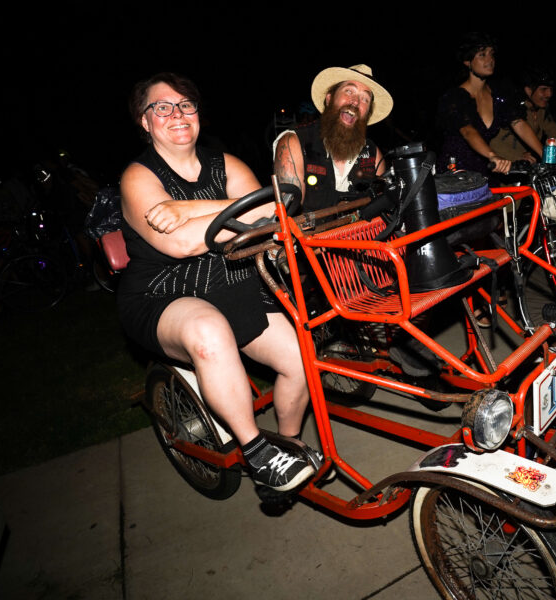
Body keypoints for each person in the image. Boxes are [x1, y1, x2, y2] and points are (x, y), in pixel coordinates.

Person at [117, 72, 314, 492]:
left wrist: (188, 207)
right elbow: (185, 244)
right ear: (144, 121)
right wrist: (253, 208)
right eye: (162, 107)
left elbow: (276, 216)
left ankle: (289, 443)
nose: (177, 113)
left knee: (301, 358)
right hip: (164, 292)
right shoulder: (138, 177)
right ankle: (258, 451)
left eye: (186, 105)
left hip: (231, 282)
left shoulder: (226, 163)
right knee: (209, 332)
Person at [273, 64, 392, 210]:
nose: (355, 102)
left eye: (365, 99)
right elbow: (289, 214)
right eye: (349, 91)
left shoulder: (374, 156)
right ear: (329, 99)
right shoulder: (294, 143)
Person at [436, 33, 546, 177]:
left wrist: (546, 155)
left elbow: (518, 122)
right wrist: (492, 155)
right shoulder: (456, 97)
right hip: (456, 172)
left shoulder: (498, 93)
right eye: (482, 55)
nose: (490, 59)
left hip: (485, 171)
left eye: (491, 54)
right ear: (467, 62)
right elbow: (468, 131)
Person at [489, 65, 556, 162]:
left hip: (529, 164)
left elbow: (552, 129)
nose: (549, 94)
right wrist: (517, 156)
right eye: (543, 89)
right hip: (503, 165)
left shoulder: (541, 110)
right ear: (528, 90)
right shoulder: (514, 109)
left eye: (551, 89)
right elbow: (496, 142)